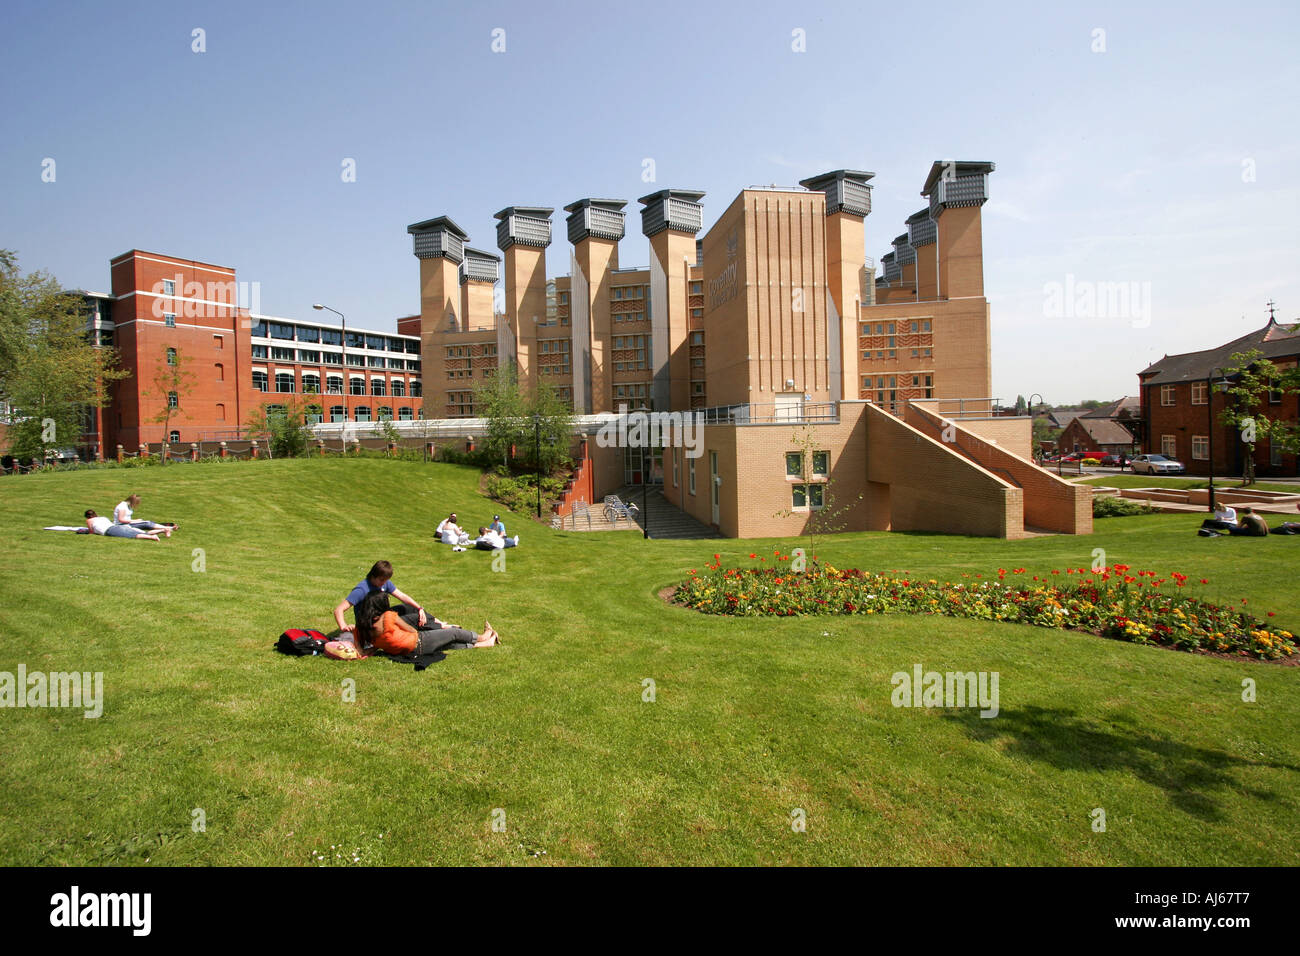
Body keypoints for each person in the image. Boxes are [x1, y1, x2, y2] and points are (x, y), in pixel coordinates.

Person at [352, 591, 500, 655]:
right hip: (418, 643)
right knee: (453, 633)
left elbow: (362, 650)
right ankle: (483, 636)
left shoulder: (360, 628)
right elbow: (411, 630)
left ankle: (487, 643)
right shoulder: (388, 616)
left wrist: (376, 648)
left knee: (446, 643)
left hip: (405, 651)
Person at [332, 560, 430, 634]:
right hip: (370, 624)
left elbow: (402, 596)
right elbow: (339, 610)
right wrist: (343, 626)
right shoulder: (361, 590)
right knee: (410, 619)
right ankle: (433, 628)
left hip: (382, 617)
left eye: (386, 580)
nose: (384, 583)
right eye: (382, 580)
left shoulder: (384, 583)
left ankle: (437, 623)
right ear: (373, 576)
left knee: (409, 608)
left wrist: (419, 608)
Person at [84, 509, 169, 540]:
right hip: (116, 526)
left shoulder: (89, 520)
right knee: (139, 532)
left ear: (88, 517)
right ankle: (163, 530)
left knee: (132, 536)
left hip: (110, 530)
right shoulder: (102, 517)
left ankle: (152, 537)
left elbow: (91, 531)